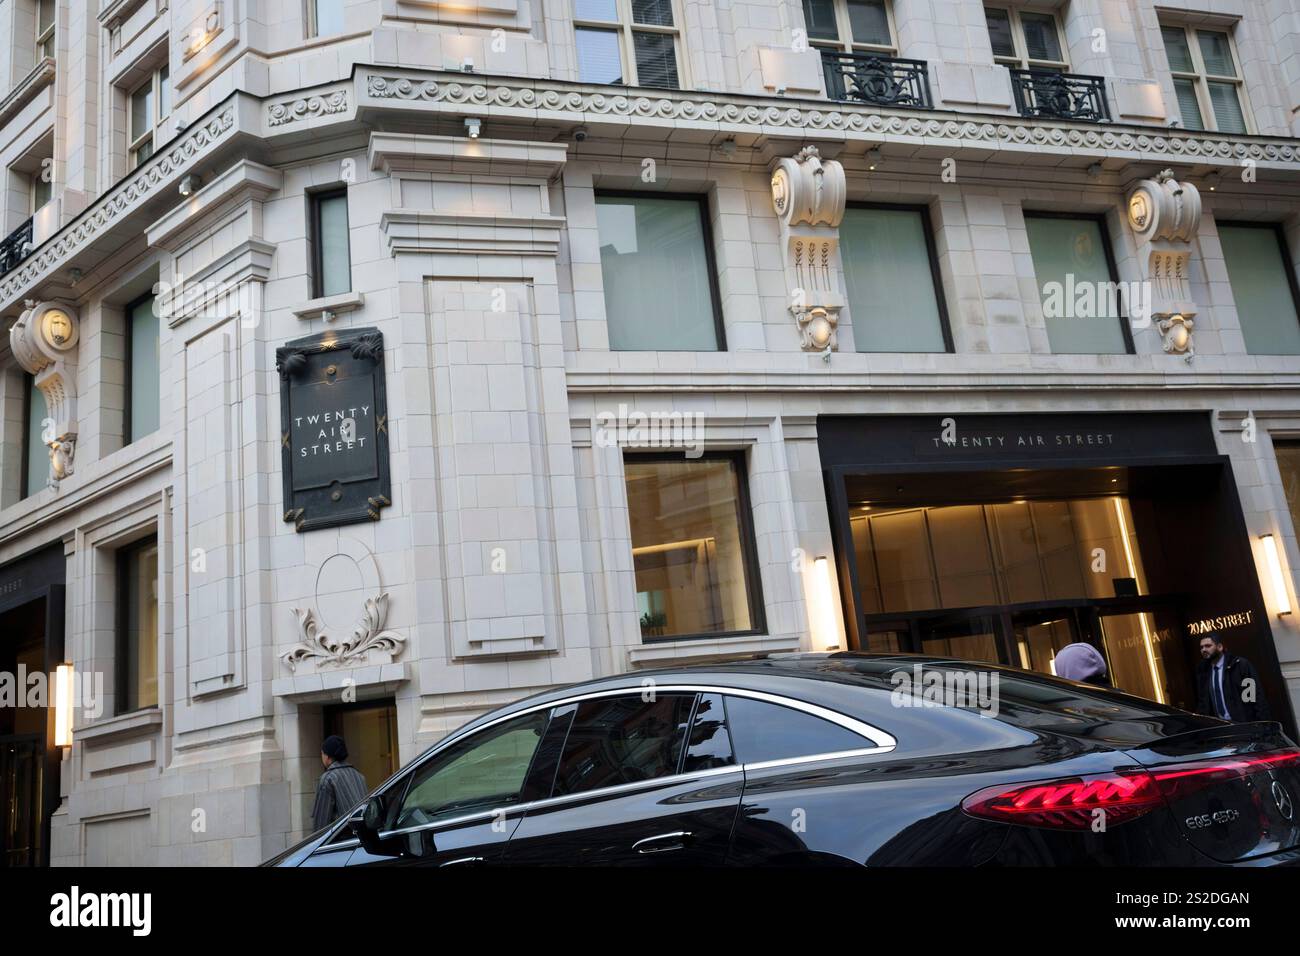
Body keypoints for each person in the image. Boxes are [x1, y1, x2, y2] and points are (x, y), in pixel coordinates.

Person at [1196, 636, 1269, 722]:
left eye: (1208, 646)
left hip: (1243, 724)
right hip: (1220, 726)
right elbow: (1203, 702)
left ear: (1219, 647)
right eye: (1201, 647)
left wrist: (1262, 724)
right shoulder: (1203, 670)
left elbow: (1254, 696)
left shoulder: (1240, 665)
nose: (1204, 650)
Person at [311, 735, 369, 831]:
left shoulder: (327, 779)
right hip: (363, 838)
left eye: (322, 753)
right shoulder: (359, 776)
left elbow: (321, 824)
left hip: (343, 840)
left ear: (327, 756)